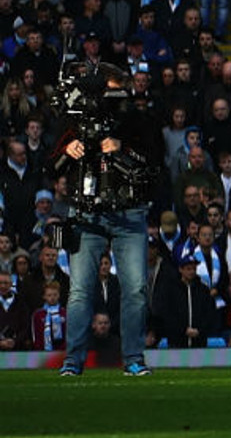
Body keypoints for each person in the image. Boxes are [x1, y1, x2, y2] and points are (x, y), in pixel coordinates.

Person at [58, 70, 165, 377]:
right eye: (106, 92)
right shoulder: (75, 118)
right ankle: (73, 362)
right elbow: (51, 163)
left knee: (134, 289)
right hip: (87, 213)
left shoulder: (139, 120)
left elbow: (155, 162)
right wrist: (67, 149)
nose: (109, 100)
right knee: (80, 290)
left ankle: (133, 359)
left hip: (129, 213)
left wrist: (123, 148)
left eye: (116, 92)